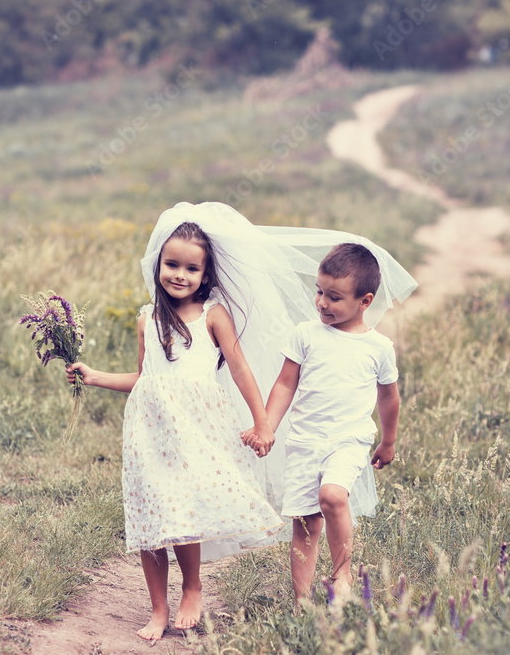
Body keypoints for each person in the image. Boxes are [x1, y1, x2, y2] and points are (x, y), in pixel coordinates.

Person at [65, 209, 284, 641]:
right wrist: (94, 376)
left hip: (194, 431)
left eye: (191, 268)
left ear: (205, 275)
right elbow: (146, 379)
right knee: (149, 519)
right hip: (148, 432)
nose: (179, 275)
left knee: (182, 511)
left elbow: (240, 370)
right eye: (171, 264)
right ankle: (158, 609)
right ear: (157, 265)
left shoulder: (213, 316)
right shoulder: (148, 318)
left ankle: (192, 587)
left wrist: (262, 422)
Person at [245, 242, 406, 603]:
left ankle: (342, 575)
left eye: (334, 297)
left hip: (347, 440)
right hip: (304, 441)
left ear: (365, 301)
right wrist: (267, 425)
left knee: (332, 497)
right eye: (319, 292)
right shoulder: (306, 334)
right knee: (305, 526)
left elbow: (388, 397)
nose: (321, 303)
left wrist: (389, 440)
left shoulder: (378, 347)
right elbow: (286, 384)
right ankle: (302, 602)